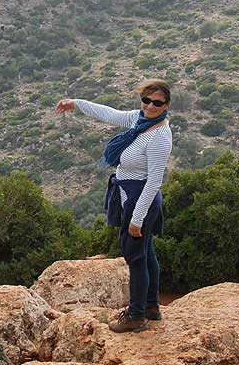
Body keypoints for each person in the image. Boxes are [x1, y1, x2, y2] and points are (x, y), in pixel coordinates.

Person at [55, 79, 173, 333]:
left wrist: (136, 219)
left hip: (141, 198)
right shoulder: (138, 120)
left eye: (157, 102)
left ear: (166, 105)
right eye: (146, 100)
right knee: (147, 252)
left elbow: (154, 182)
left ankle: (136, 316)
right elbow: (109, 113)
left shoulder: (160, 136)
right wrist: (76, 103)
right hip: (130, 194)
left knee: (136, 257)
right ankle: (151, 307)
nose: (150, 106)